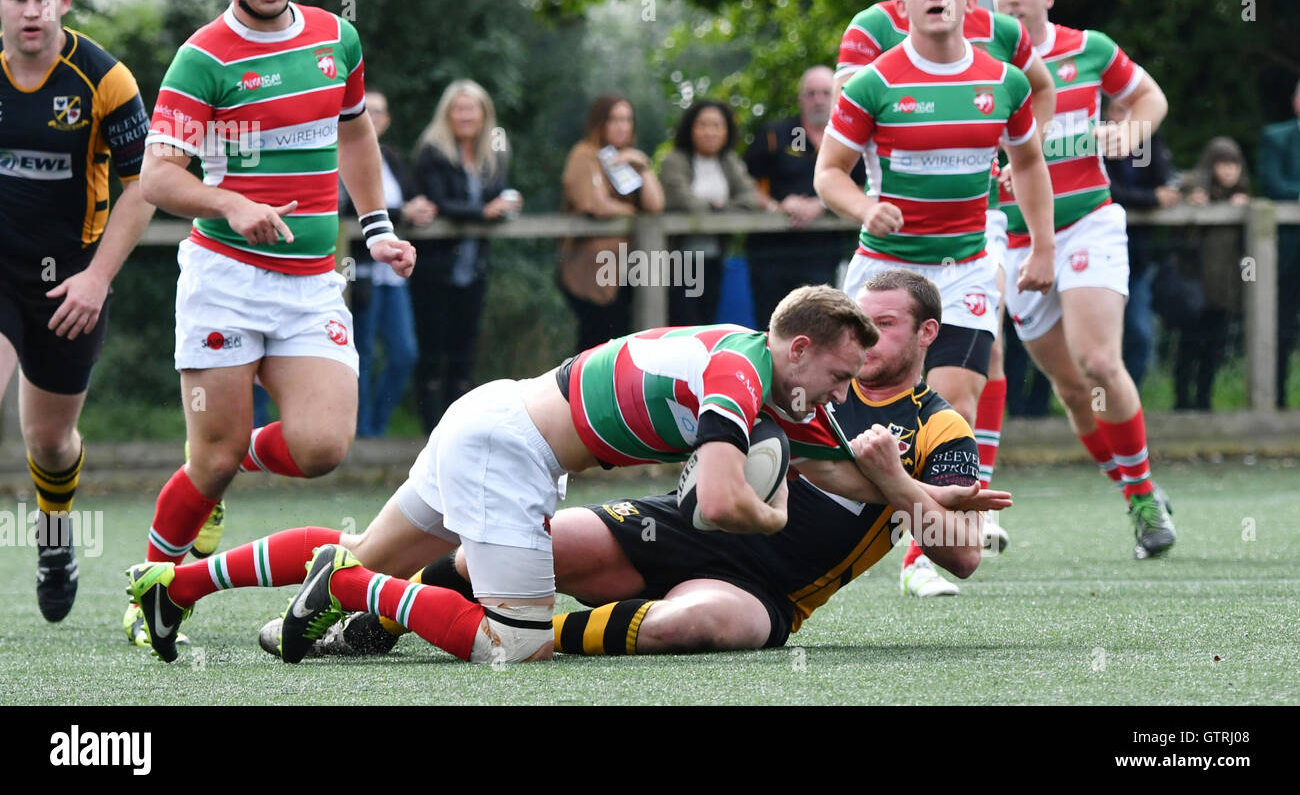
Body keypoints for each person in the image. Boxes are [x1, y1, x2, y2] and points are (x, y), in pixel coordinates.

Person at [264, 269, 1009, 659]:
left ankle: (492, 624)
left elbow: (962, 555)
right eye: (861, 332)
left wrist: (897, 481)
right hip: (661, 519)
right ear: (814, 345)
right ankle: (377, 612)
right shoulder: (792, 385)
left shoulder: (936, 426)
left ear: (927, 334)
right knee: (482, 561)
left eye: (885, 329)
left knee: (704, 623)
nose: (869, 350)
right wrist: (799, 499)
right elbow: (724, 497)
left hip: (766, 589)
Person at [124, 285, 877, 664]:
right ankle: (345, 589)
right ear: (802, 347)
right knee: (514, 647)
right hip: (508, 450)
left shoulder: (768, 373)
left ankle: (175, 588)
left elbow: (844, 465)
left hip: (493, 418)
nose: (843, 394)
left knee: (372, 553)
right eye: (842, 375)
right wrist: (772, 514)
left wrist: (925, 496)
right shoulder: (741, 376)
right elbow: (717, 501)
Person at [126, 0, 416, 644]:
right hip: (223, 277)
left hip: (312, 280)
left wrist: (377, 226)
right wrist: (229, 202)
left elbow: (354, 131)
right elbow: (158, 179)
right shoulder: (204, 57)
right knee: (212, 457)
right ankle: (150, 590)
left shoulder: (334, 38)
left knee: (321, 449)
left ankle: (222, 467)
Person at [816, 0, 1057, 597]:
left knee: (954, 400)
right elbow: (828, 172)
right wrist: (866, 207)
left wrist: (1042, 246)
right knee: (854, 403)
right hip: (885, 272)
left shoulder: (1002, 81)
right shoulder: (874, 82)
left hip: (967, 268)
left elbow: (1030, 165)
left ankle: (926, 553)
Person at [992, 0, 1176, 559]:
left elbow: (1151, 99)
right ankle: (1132, 491)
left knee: (1098, 360)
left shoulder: (1088, 48)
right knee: (1073, 390)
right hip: (1013, 239)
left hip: (1087, 223)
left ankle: (1146, 499)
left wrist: (1129, 130)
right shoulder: (980, 61)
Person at [0, 0, 154, 622]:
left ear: (62, 0)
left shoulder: (104, 79)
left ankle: (55, 537)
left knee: (50, 442)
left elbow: (146, 186)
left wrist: (96, 278)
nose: (30, 11)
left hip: (70, 282)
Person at [408, 79, 517, 430]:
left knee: (463, 354)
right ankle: (428, 432)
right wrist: (483, 211)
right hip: (435, 269)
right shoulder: (432, 150)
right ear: (448, 113)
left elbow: (499, 195)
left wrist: (508, 203)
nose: (466, 115)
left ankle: (459, 432)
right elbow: (439, 203)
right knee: (432, 353)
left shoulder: (493, 153)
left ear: (484, 113)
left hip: (473, 268)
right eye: (459, 108)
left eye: (472, 108)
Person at [345, 89, 435, 437]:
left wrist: (423, 208)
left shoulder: (392, 158)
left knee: (404, 353)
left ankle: (376, 428)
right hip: (358, 270)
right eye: (367, 110)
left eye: (380, 112)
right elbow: (345, 209)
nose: (373, 118)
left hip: (393, 274)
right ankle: (360, 431)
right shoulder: (339, 156)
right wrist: (401, 213)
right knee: (362, 353)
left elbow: (411, 197)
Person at [744, 66, 863, 322]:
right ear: (800, 99)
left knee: (819, 325)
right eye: (810, 93)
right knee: (770, 326)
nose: (818, 100)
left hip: (823, 252)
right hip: (770, 253)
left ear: (837, 96)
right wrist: (777, 206)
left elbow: (865, 187)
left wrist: (823, 204)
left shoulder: (850, 138)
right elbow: (745, 183)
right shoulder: (775, 134)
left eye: (824, 93)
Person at [558, 94, 665, 351]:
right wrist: (631, 211)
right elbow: (593, 203)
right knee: (594, 344)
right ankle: (580, 391)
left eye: (627, 120)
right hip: (588, 270)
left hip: (625, 269)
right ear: (600, 123)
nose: (623, 126)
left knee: (620, 343)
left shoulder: (629, 158)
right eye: (615, 119)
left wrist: (643, 166)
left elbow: (655, 205)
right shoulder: (584, 154)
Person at [658, 99, 765, 325]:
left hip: (715, 258)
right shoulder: (674, 161)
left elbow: (750, 198)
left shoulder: (729, 162)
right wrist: (719, 208)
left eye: (716, 125)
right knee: (683, 325)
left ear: (726, 130)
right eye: (703, 125)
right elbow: (683, 200)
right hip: (679, 262)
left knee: (709, 322)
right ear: (691, 129)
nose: (710, 132)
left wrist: (719, 208)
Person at [1101, 98, 1180, 387]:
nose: (1124, 117)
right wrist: (1150, 198)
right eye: (1118, 110)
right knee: (1097, 340)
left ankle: (1129, 398)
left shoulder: (1148, 139)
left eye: (1129, 111)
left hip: (1137, 257)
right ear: (1108, 113)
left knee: (1139, 333)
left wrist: (1157, 195)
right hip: (1099, 257)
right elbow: (1106, 189)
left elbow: (1165, 182)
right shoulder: (1094, 140)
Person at [1177, 137, 1251, 409]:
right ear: (1212, 166)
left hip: (1225, 288)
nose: (1230, 171)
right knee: (1188, 347)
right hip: (1194, 287)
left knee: (1213, 350)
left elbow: (1249, 252)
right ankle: (1182, 402)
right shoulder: (1194, 193)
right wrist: (1192, 212)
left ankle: (1204, 401)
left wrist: (1246, 215)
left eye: (1234, 164)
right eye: (1223, 164)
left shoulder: (1244, 199)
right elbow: (1180, 244)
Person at [1257, 81, 1300, 407]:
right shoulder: (1276, 137)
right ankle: (1277, 402)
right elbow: (1274, 184)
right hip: (1287, 252)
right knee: (1281, 327)